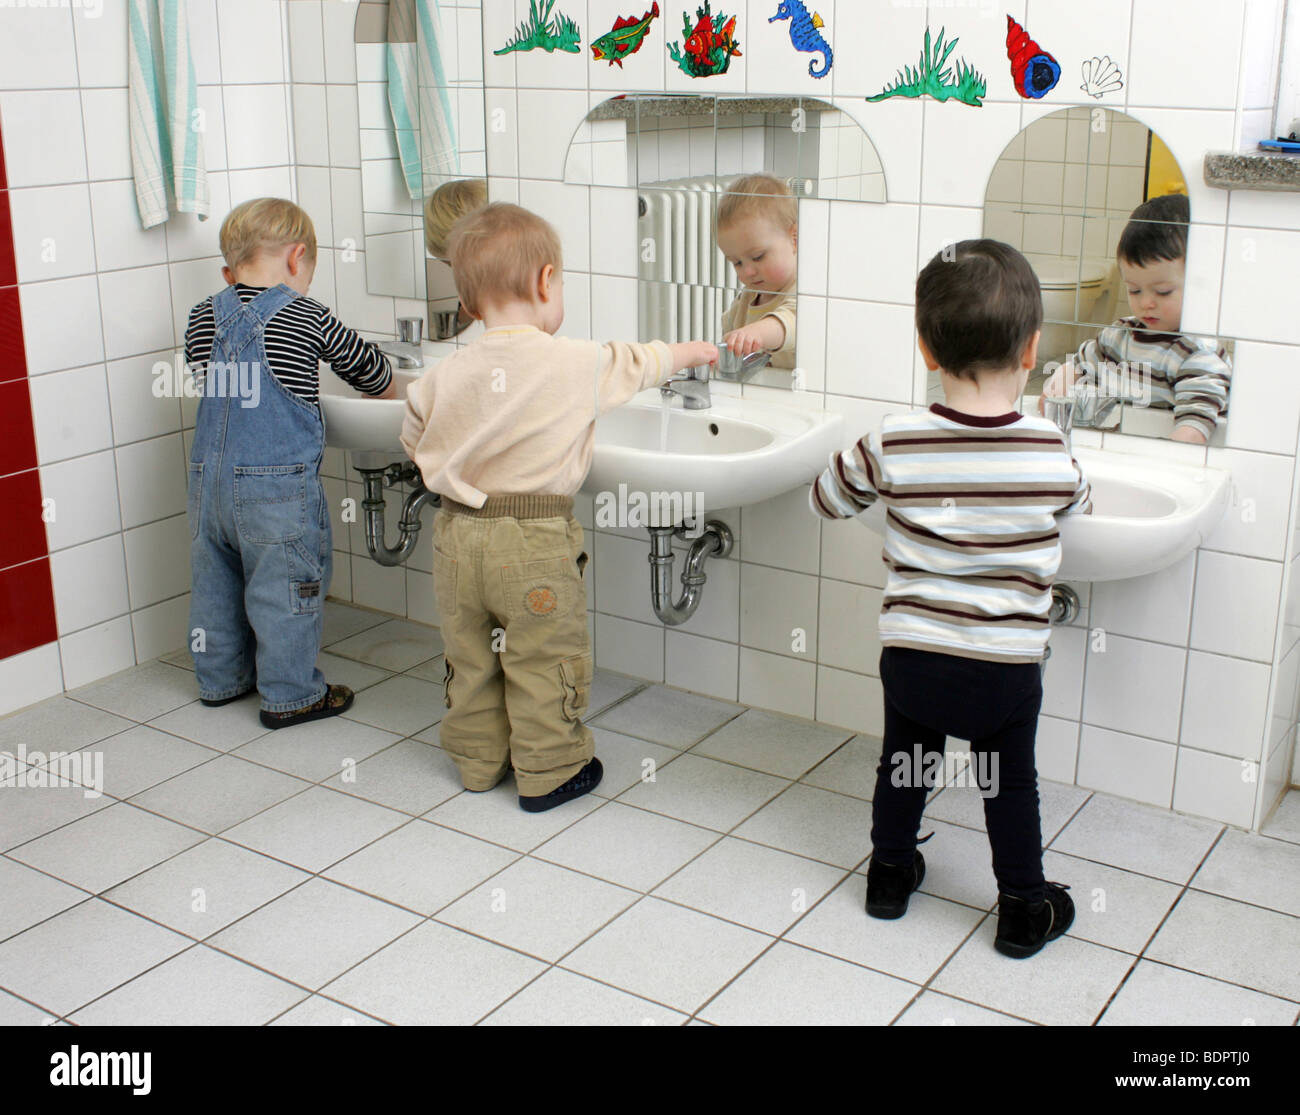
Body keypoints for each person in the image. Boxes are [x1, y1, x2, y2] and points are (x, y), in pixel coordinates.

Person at [810, 240, 1092, 959]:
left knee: (904, 764)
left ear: (925, 348)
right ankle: (1025, 907)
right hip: (1002, 671)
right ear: (1032, 351)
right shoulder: (1049, 448)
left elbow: (827, 498)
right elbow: (1080, 502)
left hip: (914, 662)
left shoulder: (895, 438)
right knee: (1010, 785)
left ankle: (889, 875)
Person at [400, 203, 717, 812]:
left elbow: (416, 441)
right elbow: (641, 361)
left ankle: (476, 763)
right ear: (547, 281)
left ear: (468, 306)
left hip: (457, 538)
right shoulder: (574, 362)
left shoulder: (443, 375)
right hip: (534, 542)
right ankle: (549, 773)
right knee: (542, 660)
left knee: (470, 657)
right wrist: (694, 352)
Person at [185, 198, 396, 729]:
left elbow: (204, 379)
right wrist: (392, 387)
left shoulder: (203, 314)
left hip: (209, 484)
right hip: (275, 491)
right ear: (298, 257)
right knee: (285, 591)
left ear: (229, 270)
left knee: (217, 585)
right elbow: (370, 373)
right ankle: (291, 695)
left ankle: (221, 680)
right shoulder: (305, 315)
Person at [1041, 193, 1231, 443]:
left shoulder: (1198, 353)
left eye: (1163, 292)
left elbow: (1194, 428)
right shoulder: (1118, 336)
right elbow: (1078, 364)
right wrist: (1056, 391)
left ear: (1200, 282)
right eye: (1134, 290)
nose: (1146, 303)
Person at [716, 174, 798, 370]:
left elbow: (790, 322)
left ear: (794, 239)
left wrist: (756, 334)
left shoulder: (803, 291)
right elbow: (730, 340)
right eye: (736, 263)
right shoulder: (745, 300)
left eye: (758, 257)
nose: (748, 272)